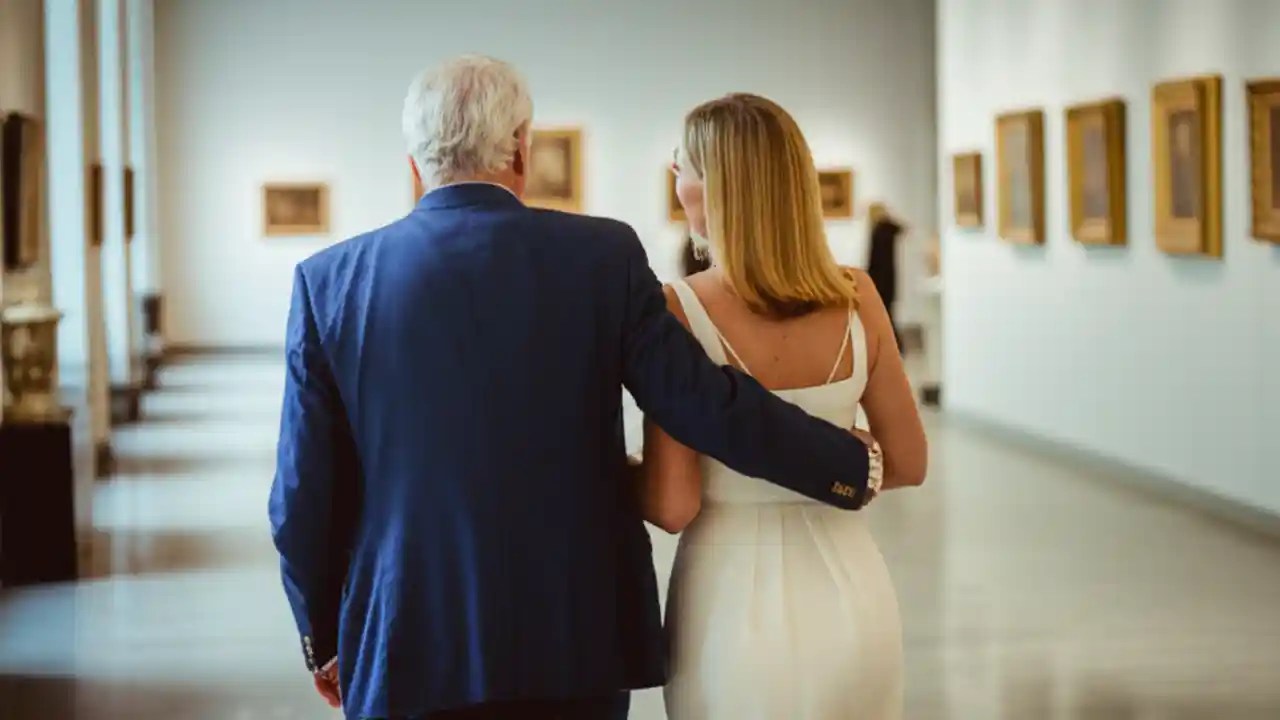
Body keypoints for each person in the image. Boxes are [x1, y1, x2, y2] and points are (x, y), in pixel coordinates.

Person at [268, 57, 879, 720]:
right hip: (573, 635)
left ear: (414, 164)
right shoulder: (601, 257)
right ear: (521, 148)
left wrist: (322, 638)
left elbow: (301, 494)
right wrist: (845, 463)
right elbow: (703, 401)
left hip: (408, 637)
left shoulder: (329, 283)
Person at [635, 94, 927, 719]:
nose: (676, 182)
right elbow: (907, 461)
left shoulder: (677, 311)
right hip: (854, 591)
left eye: (682, 167)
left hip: (730, 600)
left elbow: (672, 504)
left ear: (718, 187)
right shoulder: (858, 295)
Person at [865, 201, 905, 352]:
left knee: (883, 314)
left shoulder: (878, 231)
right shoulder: (888, 230)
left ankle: (894, 345)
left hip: (879, 279)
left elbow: (874, 259)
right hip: (889, 278)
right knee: (887, 313)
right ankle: (894, 345)